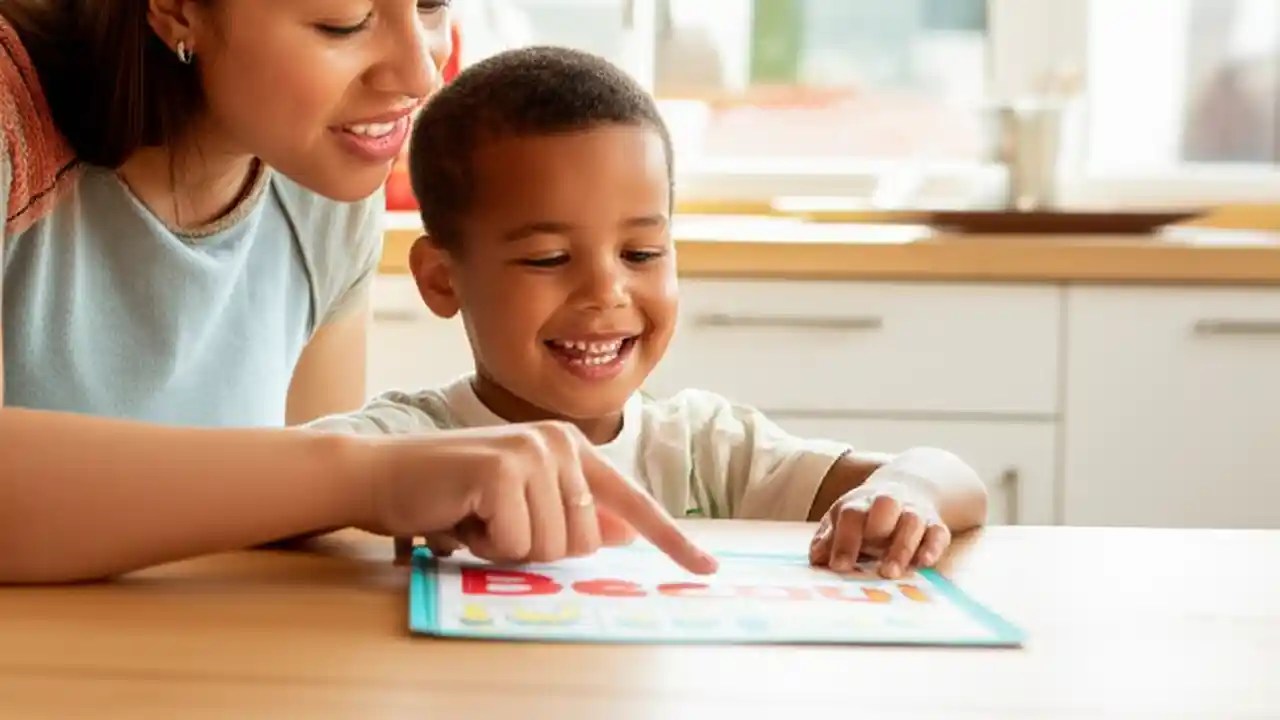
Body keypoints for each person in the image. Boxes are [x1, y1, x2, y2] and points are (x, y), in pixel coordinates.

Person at [0, 1, 715, 585]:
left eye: (431, 5)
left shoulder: (321, 186)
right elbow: (330, 479)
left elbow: (303, 533)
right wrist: (370, 477)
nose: (421, 72)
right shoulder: (12, 124)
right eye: (344, 22)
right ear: (176, 10)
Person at [306, 46, 990, 578]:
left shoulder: (703, 450)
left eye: (641, 252)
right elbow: (278, 491)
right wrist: (386, 490)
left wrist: (906, 491)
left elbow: (952, 476)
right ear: (440, 279)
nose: (607, 294)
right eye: (547, 258)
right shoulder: (411, 439)